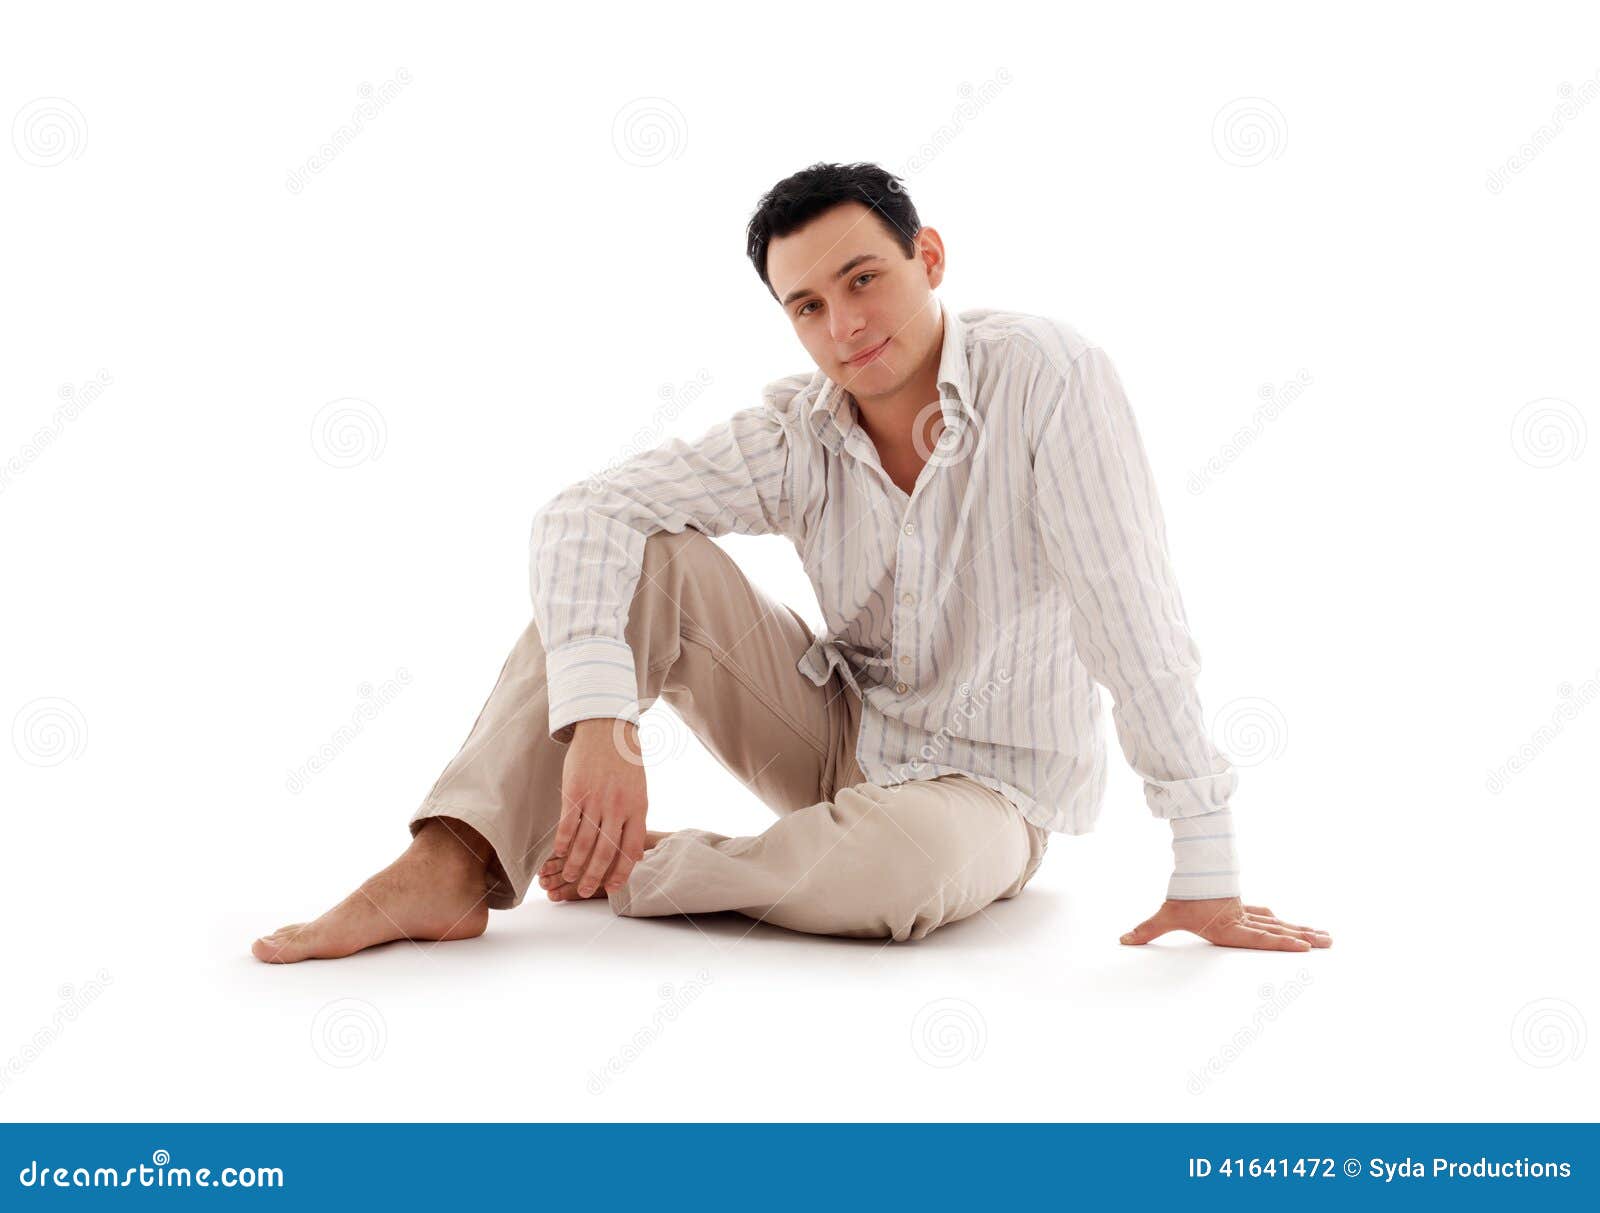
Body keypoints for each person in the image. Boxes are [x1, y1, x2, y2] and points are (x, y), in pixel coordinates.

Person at [252, 161, 1331, 963]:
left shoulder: (1046, 375)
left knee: (902, 870)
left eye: (863, 280)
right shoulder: (799, 430)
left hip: (991, 794)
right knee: (642, 553)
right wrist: (599, 721)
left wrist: (1206, 862)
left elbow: (1129, 610)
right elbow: (586, 511)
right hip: (834, 737)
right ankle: (451, 859)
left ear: (931, 259)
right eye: (807, 305)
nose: (844, 325)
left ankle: (633, 863)